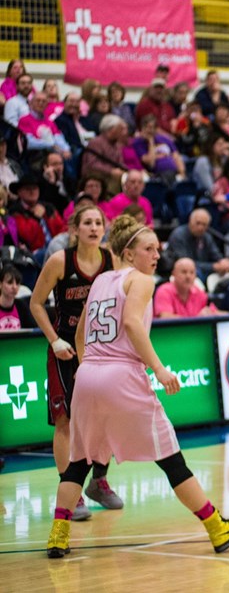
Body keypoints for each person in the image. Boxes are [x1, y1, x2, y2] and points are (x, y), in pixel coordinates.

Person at [45, 214, 229, 559]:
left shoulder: (99, 282)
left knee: (79, 460)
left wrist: (90, 369)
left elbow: (80, 334)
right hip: (121, 375)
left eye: (158, 248)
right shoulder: (141, 280)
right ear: (129, 253)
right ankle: (217, 526)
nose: (156, 255)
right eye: (149, 249)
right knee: (171, 458)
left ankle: (58, 533)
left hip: (88, 376)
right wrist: (158, 369)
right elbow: (130, 323)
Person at [29, 204, 120, 521]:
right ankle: (72, 490)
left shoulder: (112, 260)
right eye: (88, 223)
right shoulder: (60, 261)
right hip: (65, 349)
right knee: (65, 420)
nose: (94, 228)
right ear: (75, 229)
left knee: (105, 418)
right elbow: (36, 303)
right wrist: (54, 339)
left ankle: (99, 481)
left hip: (99, 350)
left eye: (99, 222)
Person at [165, 208, 229, 282]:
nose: (200, 227)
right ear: (190, 221)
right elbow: (185, 263)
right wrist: (213, 267)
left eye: (204, 225)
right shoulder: (178, 235)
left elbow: (216, 255)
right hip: (183, 272)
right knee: (195, 273)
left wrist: (223, 262)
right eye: (198, 223)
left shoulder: (207, 237)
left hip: (204, 269)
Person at [155, 258, 222, 318]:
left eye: (192, 272)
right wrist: (197, 319)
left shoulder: (198, 292)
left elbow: (216, 313)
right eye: (184, 272)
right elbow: (165, 317)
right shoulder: (164, 291)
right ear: (173, 274)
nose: (188, 276)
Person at [82, 114, 128, 196]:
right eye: (120, 129)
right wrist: (111, 171)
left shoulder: (116, 145)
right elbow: (92, 164)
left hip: (114, 178)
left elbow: (120, 163)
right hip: (98, 177)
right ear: (111, 129)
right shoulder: (96, 143)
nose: (123, 133)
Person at [0, 264, 31, 331]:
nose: (14, 287)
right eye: (10, 282)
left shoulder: (22, 306)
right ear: (0, 284)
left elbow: (32, 330)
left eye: (17, 283)